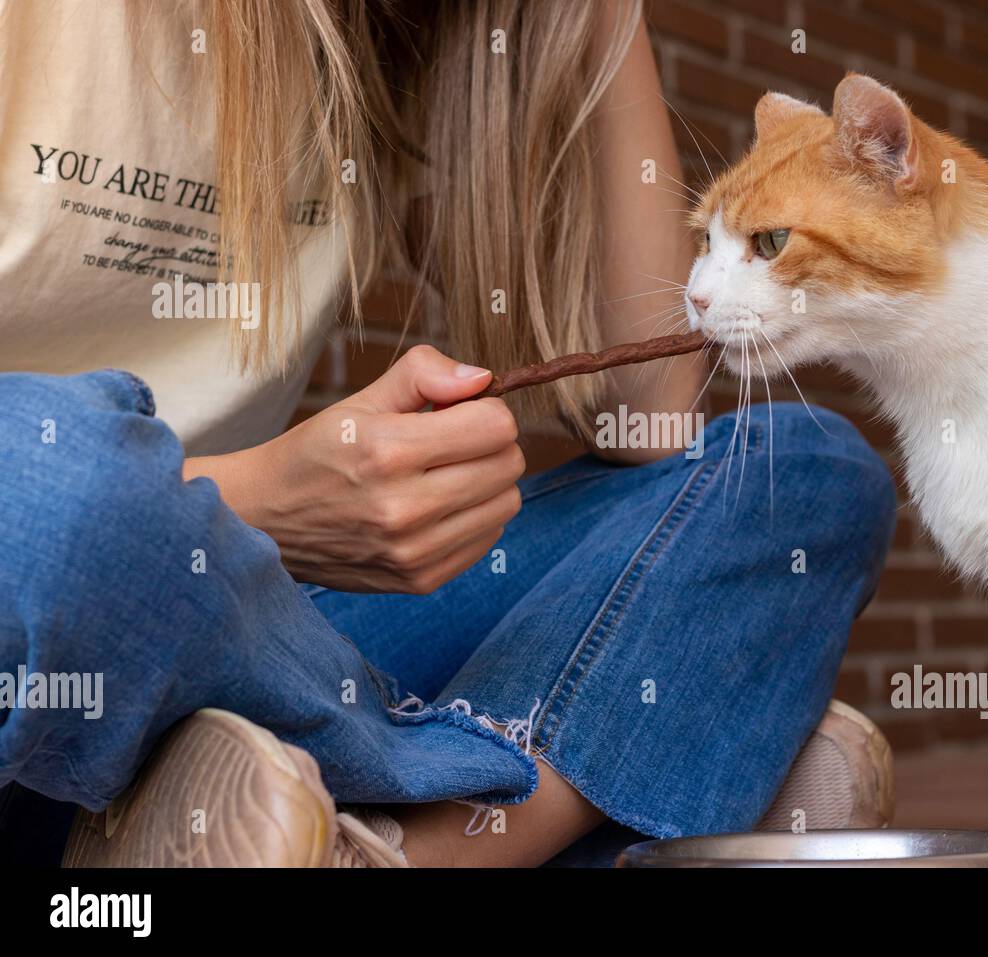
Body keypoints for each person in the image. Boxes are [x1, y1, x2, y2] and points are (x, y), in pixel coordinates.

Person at [0, 0, 896, 866]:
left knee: (795, 475)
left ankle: (399, 850)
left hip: (253, 631)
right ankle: (655, 764)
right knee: (78, 505)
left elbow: (651, 417)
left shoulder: (380, 51)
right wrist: (260, 497)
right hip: (53, 625)